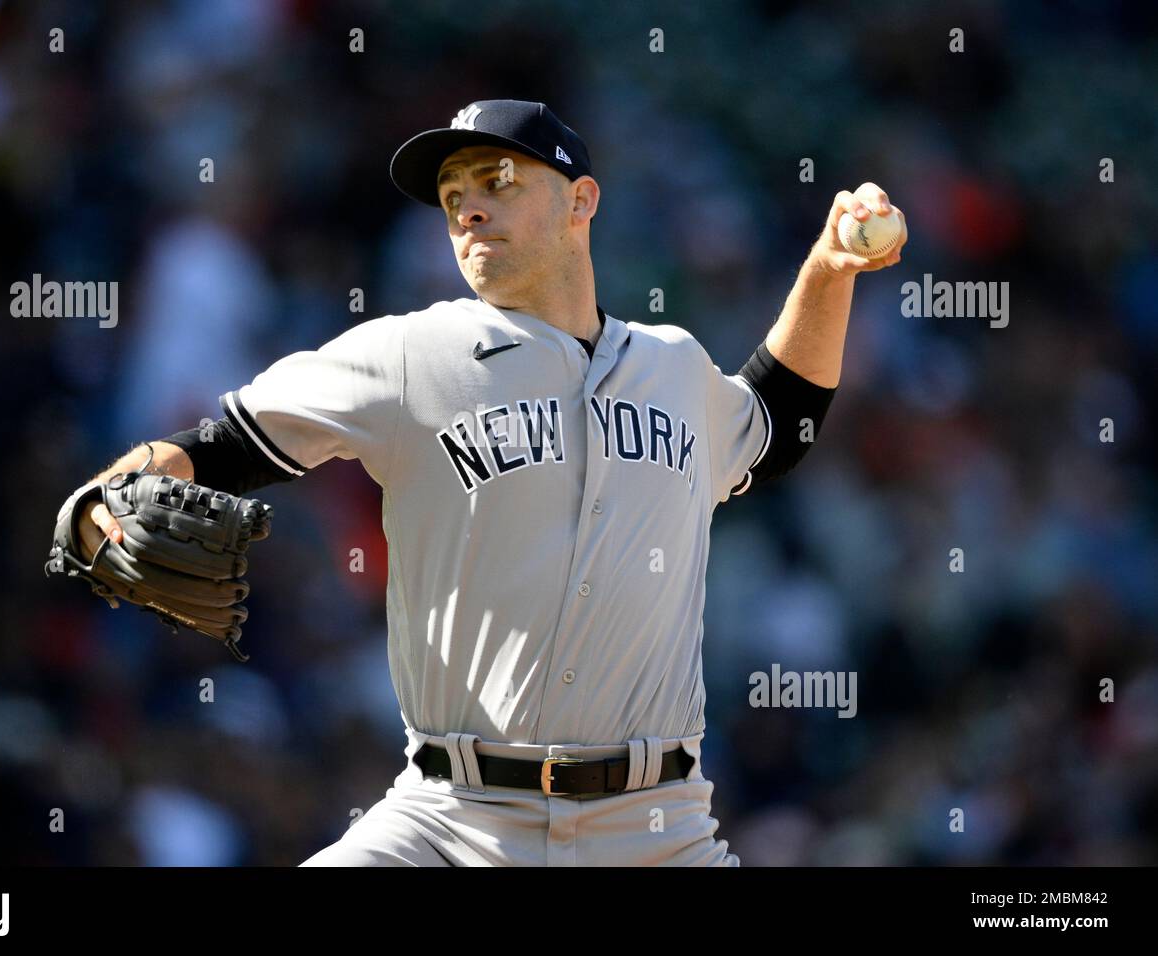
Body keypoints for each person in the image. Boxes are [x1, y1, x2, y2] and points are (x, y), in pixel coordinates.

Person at [74, 99, 906, 866]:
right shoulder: (407, 357)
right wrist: (99, 502)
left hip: (658, 831)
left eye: (497, 180)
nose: (467, 206)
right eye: (451, 192)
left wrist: (830, 271)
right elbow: (213, 447)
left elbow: (777, 424)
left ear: (581, 202)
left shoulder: (674, 366)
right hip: (449, 820)